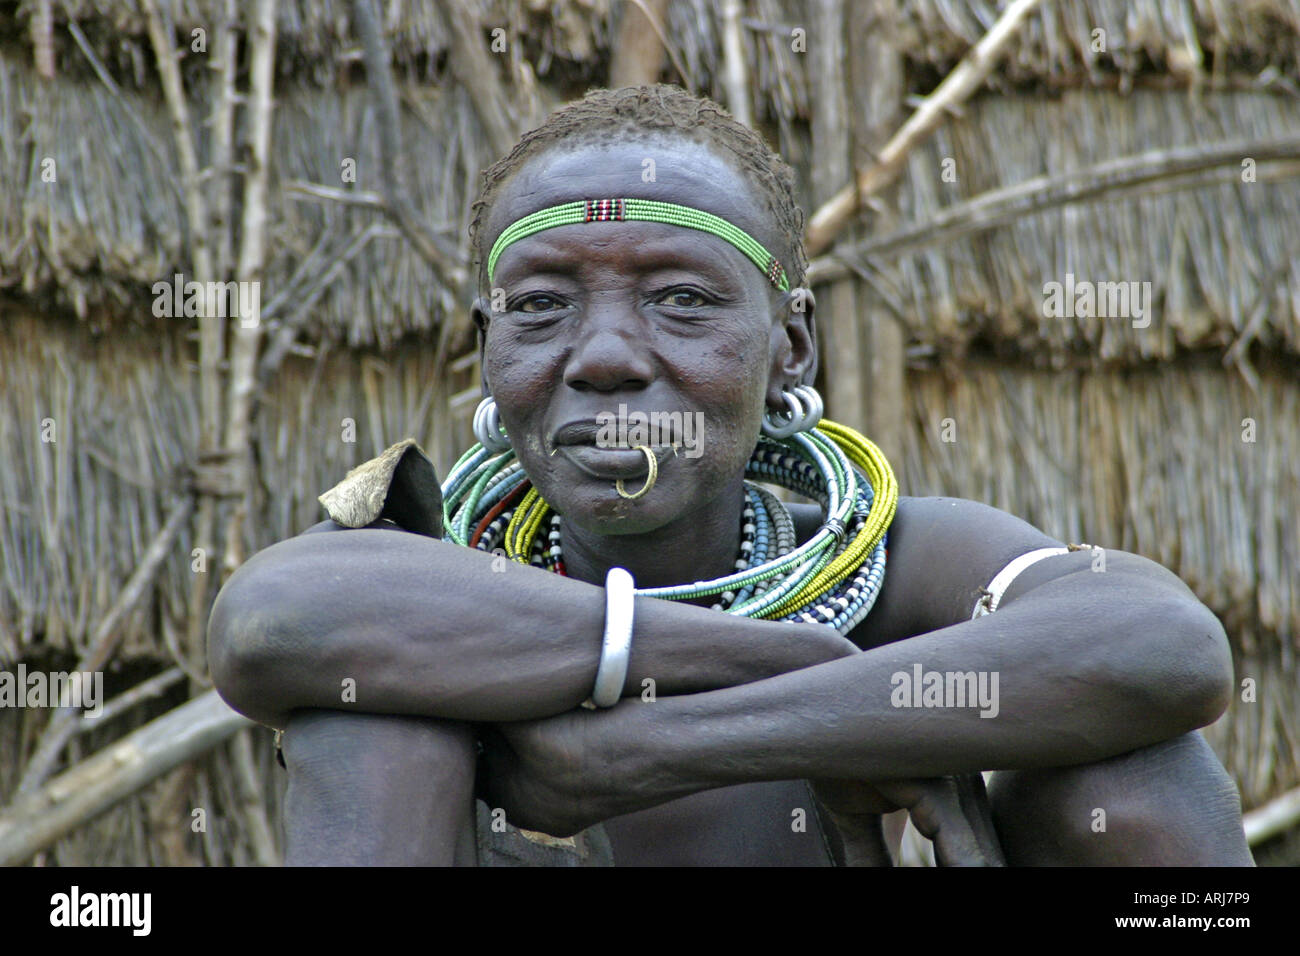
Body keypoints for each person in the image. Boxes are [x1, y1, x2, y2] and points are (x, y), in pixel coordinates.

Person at [207, 85, 1253, 866]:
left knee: (1125, 761)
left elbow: (1160, 647)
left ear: (790, 349)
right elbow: (269, 623)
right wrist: (766, 664)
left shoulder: (899, 570)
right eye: (539, 305)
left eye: (681, 299)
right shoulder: (423, 571)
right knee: (372, 721)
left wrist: (647, 747)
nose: (604, 354)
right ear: (486, 347)